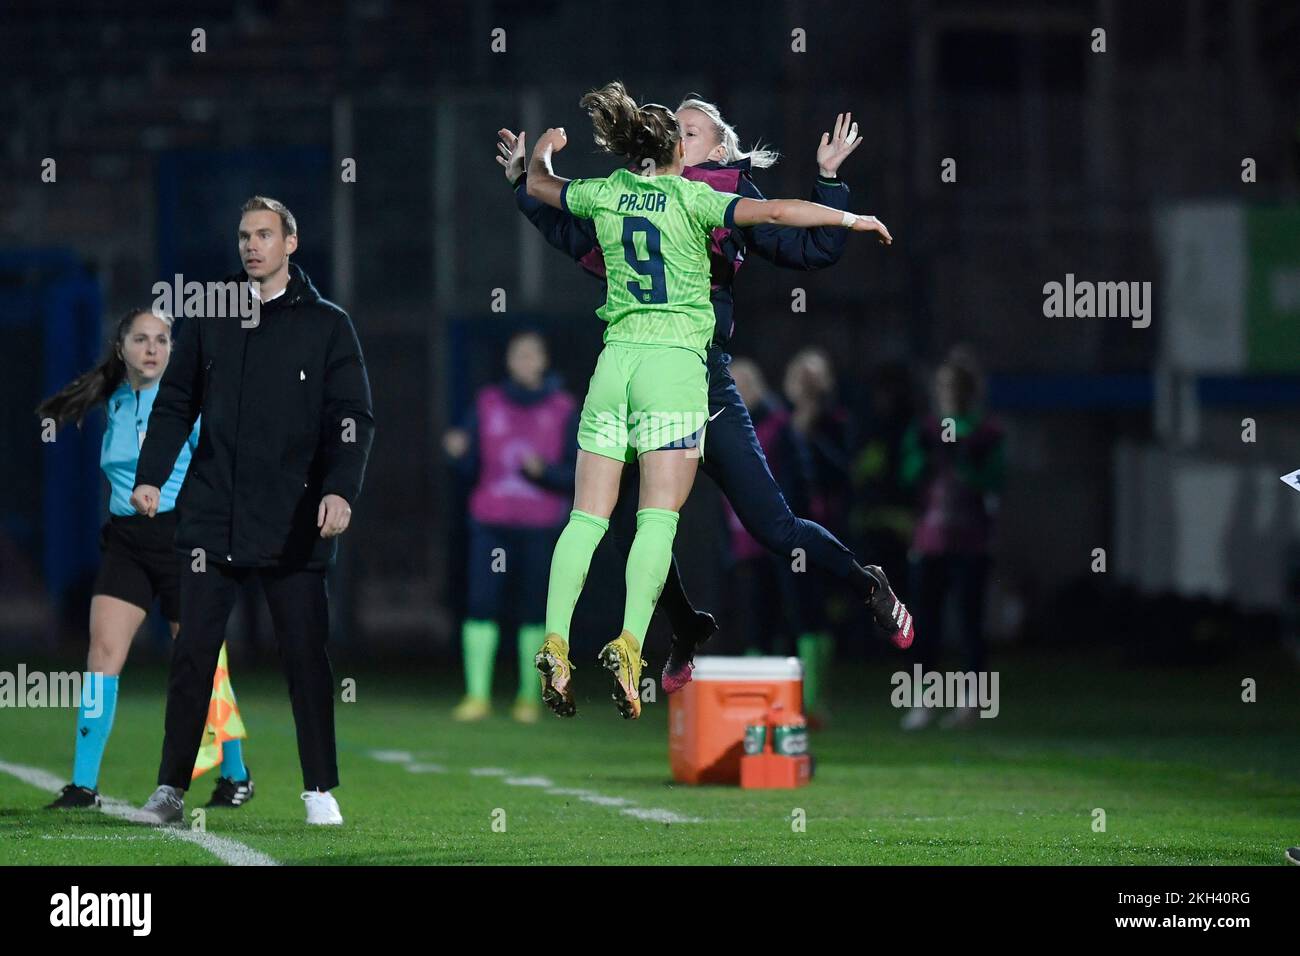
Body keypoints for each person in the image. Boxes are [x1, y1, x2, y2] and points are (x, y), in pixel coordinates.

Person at [499, 98, 913, 697]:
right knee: (629, 522)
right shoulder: (645, 191)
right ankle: (682, 630)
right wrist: (525, 182)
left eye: (693, 130)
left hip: (702, 377)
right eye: (677, 129)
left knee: (772, 528)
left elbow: (810, 250)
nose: (680, 136)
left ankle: (866, 581)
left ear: (717, 149)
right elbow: (567, 229)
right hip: (654, 372)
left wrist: (831, 184)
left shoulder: (715, 193)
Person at [131, 196, 374, 825]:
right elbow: (176, 401)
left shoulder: (328, 325)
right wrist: (151, 478)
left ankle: (319, 788)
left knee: (304, 657)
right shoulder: (211, 318)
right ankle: (170, 790)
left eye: (264, 235)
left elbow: (351, 418)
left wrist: (340, 489)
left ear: (290, 243)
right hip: (212, 516)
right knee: (192, 657)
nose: (251, 245)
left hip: (296, 519)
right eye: (244, 235)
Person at [36, 308, 254, 810]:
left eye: (162, 339)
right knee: (102, 655)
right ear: (122, 349)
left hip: (183, 540)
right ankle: (83, 785)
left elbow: (221, 467)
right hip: (128, 543)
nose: (153, 348)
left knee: (200, 661)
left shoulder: (186, 402)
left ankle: (237, 773)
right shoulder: (113, 400)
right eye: (141, 339)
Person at [443, 330, 578, 723]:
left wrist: (546, 473)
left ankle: (528, 697)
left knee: (534, 611)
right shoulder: (487, 404)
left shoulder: (563, 408)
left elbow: (580, 473)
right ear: (509, 361)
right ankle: (477, 696)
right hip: (491, 523)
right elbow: (470, 466)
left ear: (543, 361)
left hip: (540, 525)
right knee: (482, 604)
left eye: (532, 354)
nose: (525, 361)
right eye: (518, 354)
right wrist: (457, 454)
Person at [899, 348, 1003, 730]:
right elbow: (907, 475)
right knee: (923, 623)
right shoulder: (925, 429)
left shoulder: (986, 431)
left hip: (972, 542)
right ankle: (922, 701)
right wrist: (927, 458)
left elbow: (994, 480)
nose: (948, 393)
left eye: (955, 386)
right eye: (943, 386)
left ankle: (972, 703)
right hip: (930, 542)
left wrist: (964, 457)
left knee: (970, 624)